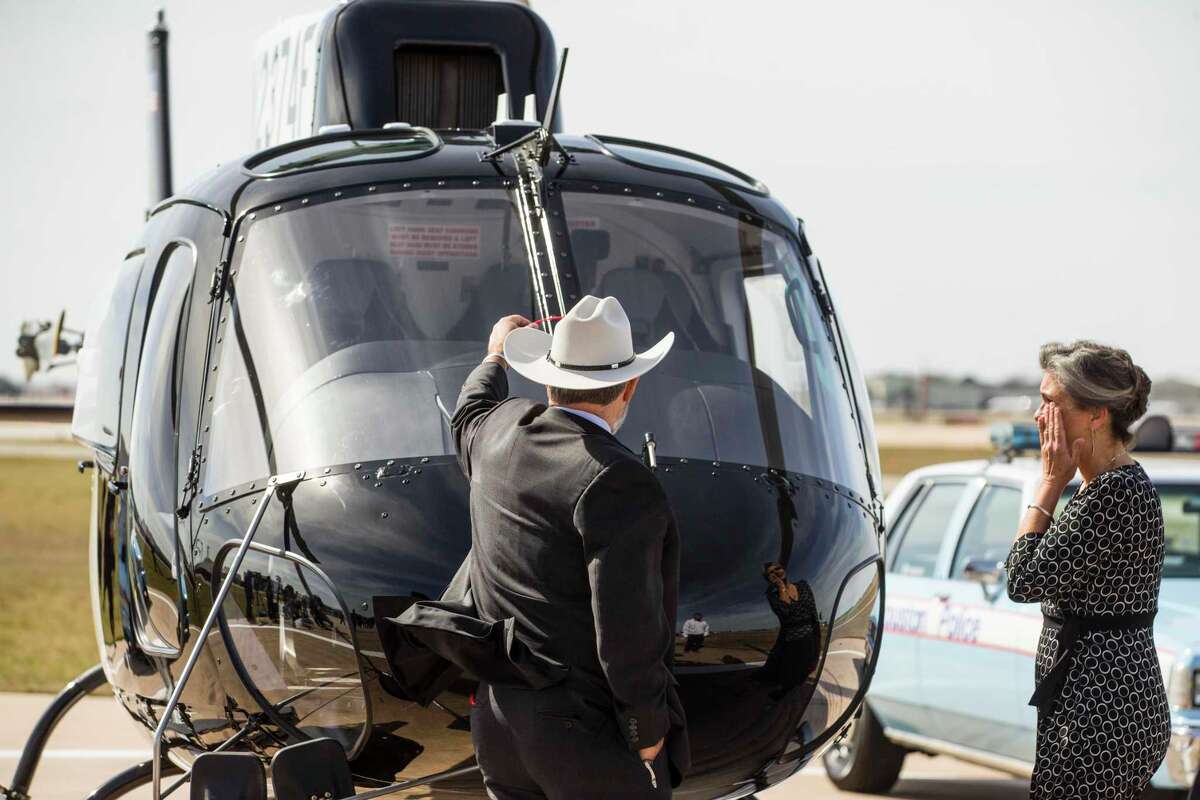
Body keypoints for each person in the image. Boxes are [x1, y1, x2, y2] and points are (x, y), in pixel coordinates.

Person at [451, 295, 690, 798]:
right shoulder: (620, 479)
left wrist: (495, 356)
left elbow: (468, 411)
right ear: (629, 386)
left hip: (499, 727)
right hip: (584, 740)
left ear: (547, 379)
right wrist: (645, 731)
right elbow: (627, 628)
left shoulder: (497, 432)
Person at [1003, 340, 1170, 799]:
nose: (1040, 416)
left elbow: (1021, 579)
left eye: (1052, 403)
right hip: (1095, 703)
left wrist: (1051, 482)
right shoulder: (1114, 487)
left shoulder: (1111, 495)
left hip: (1101, 712)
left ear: (1096, 414)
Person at [759, 562, 821, 700]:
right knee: (791, 668)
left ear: (784, 569)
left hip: (810, 631)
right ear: (769, 579)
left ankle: (797, 684)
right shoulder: (773, 596)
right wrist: (781, 587)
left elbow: (812, 608)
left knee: (808, 663)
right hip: (793, 636)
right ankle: (785, 689)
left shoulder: (803, 585)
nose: (776, 572)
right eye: (771, 573)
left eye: (778, 568)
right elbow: (785, 612)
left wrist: (816, 631)